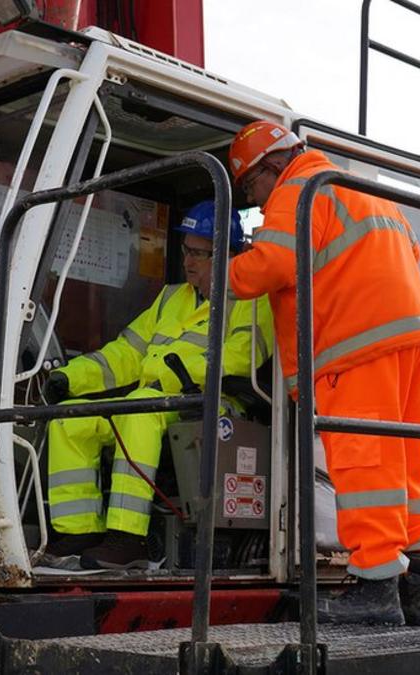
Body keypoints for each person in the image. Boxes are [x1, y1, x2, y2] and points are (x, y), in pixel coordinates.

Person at [226, 120, 420, 627]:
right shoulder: (362, 191)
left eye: (252, 188)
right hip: (413, 341)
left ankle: (375, 589)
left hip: (358, 349)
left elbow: (274, 262)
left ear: (272, 167)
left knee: (365, 468)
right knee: (405, 470)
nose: (258, 203)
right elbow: (405, 256)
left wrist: (225, 275)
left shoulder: (298, 186)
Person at [39, 200, 274, 571]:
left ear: (229, 253)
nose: (189, 261)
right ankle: (78, 532)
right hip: (158, 400)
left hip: (217, 403)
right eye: (186, 250)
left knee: (140, 411)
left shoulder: (252, 299)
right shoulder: (170, 298)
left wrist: (179, 372)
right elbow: (127, 353)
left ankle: (128, 538)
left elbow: (243, 356)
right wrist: (72, 376)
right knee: (70, 420)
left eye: (200, 253)